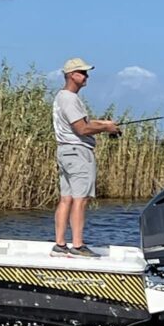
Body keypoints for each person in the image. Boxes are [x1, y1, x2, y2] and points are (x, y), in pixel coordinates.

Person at [52, 58, 120, 258]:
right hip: (78, 153)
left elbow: (83, 122)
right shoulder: (70, 99)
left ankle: (60, 244)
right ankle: (78, 245)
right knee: (80, 200)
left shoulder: (61, 97)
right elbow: (81, 128)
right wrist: (106, 128)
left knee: (66, 199)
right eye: (82, 72)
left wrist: (105, 123)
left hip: (65, 151)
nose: (86, 76)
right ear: (72, 75)